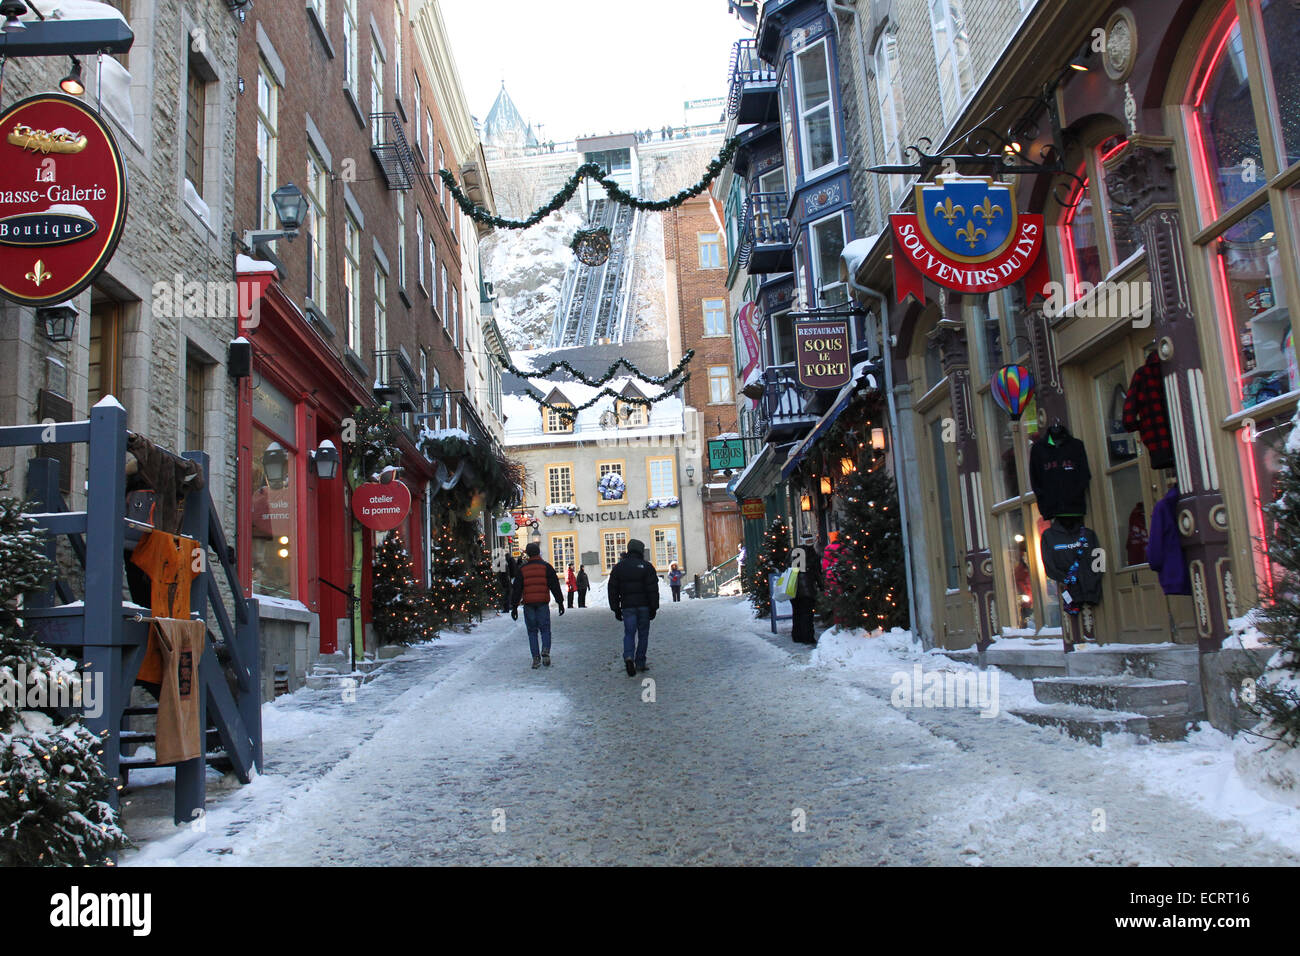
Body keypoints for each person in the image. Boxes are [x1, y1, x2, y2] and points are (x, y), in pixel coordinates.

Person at [607, 538, 659, 675]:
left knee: (629, 633)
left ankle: (629, 656)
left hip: (627, 606)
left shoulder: (619, 567)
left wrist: (615, 608)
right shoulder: (647, 567)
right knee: (643, 635)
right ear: (641, 551)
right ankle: (640, 662)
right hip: (644, 607)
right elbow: (653, 589)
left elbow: (612, 589)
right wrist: (654, 607)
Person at [510, 541, 565, 668]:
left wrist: (514, 606)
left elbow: (517, 589)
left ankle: (535, 658)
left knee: (532, 631)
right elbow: (554, 585)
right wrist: (560, 602)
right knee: (545, 629)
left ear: (528, 554)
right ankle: (545, 649)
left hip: (529, 604)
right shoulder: (546, 567)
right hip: (542, 603)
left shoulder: (522, 569)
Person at [789, 533, 823, 646]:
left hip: (793, 588)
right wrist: (822, 586)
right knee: (807, 614)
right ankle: (807, 637)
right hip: (808, 588)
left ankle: (797, 635)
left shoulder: (793, 552)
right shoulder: (812, 554)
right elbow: (817, 573)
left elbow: (787, 566)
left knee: (797, 612)